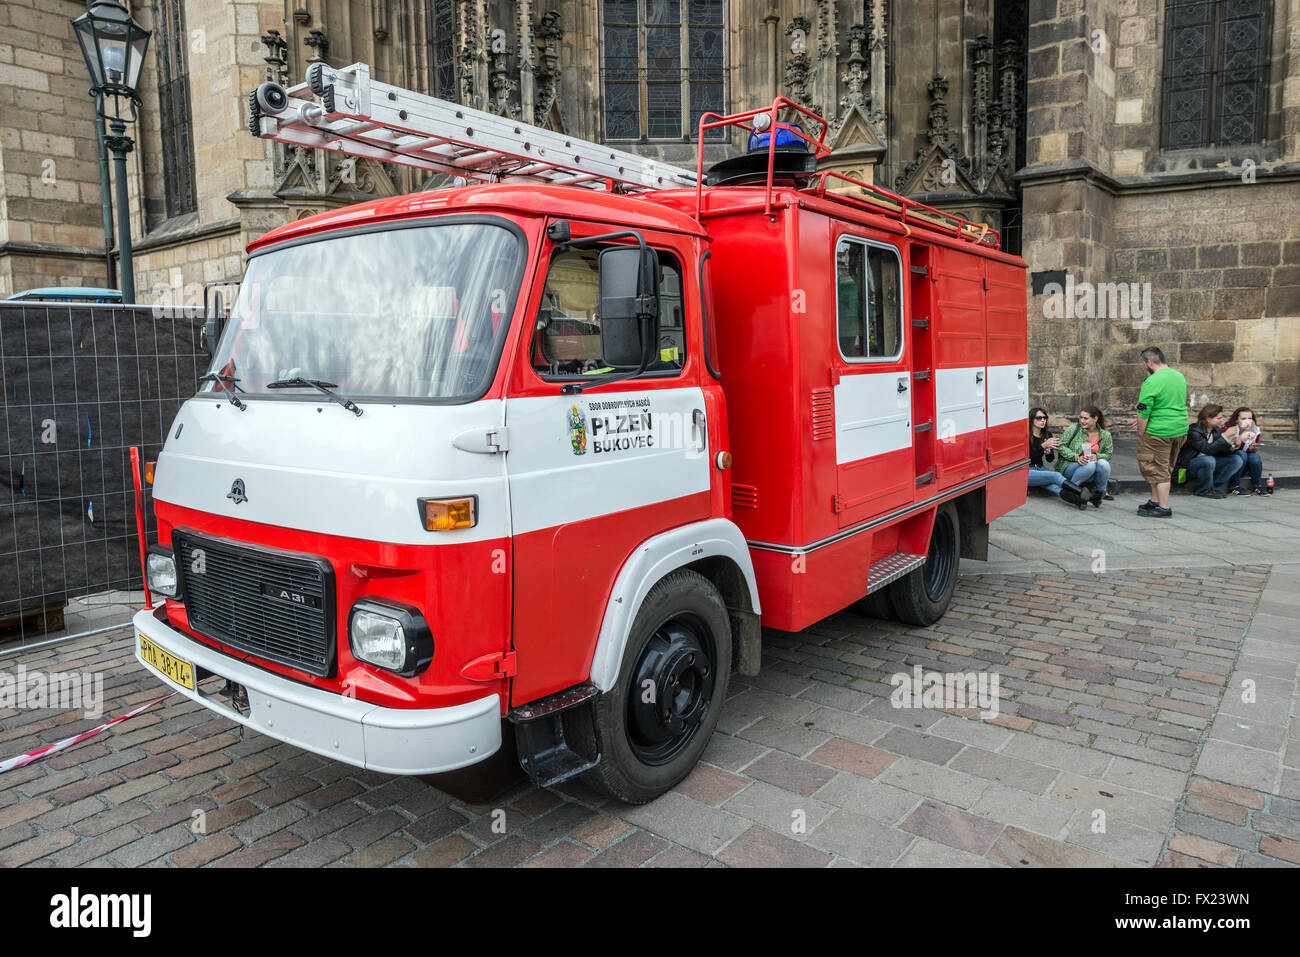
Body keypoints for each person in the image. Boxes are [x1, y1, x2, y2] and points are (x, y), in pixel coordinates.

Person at [1132, 346, 1189, 518]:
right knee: (1162, 467)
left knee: (1158, 469)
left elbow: (1143, 410)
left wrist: (1141, 433)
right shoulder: (1179, 376)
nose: (1144, 367)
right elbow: (1173, 402)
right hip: (1179, 429)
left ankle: (1163, 507)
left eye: (1144, 363)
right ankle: (1155, 501)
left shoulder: (1152, 381)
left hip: (1158, 432)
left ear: (1149, 362)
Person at [1176, 403, 1245, 498]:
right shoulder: (1194, 431)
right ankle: (1203, 490)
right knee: (1208, 460)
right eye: (1219, 418)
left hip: (1208, 463)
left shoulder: (1215, 430)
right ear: (1208, 419)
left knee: (1236, 460)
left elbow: (1220, 452)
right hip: (1189, 466)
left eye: (1222, 417)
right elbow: (1207, 450)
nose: (1222, 420)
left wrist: (1232, 444)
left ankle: (1213, 487)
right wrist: (1225, 436)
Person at [1058, 405, 1113, 507]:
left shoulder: (1105, 435)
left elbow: (1108, 454)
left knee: (1104, 464)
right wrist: (1076, 457)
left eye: (1086, 418)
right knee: (1090, 465)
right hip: (1071, 466)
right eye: (1081, 417)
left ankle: (1100, 494)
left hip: (1092, 470)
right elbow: (1061, 446)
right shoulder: (1073, 429)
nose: (1082, 421)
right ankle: (1072, 489)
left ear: (1095, 419)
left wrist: (1097, 456)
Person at [1225, 407, 1266, 495]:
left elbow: (1250, 450)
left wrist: (1253, 449)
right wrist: (1239, 438)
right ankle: (1234, 486)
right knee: (1241, 454)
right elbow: (1227, 450)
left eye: (1250, 418)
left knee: (1255, 457)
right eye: (1243, 418)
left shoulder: (1255, 430)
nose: (1247, 421)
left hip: (1245, 464)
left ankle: (1257, 486)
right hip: (1231, 462)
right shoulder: (1231, 430)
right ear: (1236, 420)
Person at [1028, 407, 1064, 496]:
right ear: (1032, 419)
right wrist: (1043, 446)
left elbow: (1050, 460)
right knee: (1056, 476)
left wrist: (1048, 452)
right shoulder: (1025, 435)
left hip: (1040, 468)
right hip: (1027, 470)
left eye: (1045, 418)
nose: (1043, 420)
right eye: (1039, 418)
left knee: (1054, 487)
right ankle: (1081, 493)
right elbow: (1028, 457)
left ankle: (1080, 499)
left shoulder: (1047, 434)